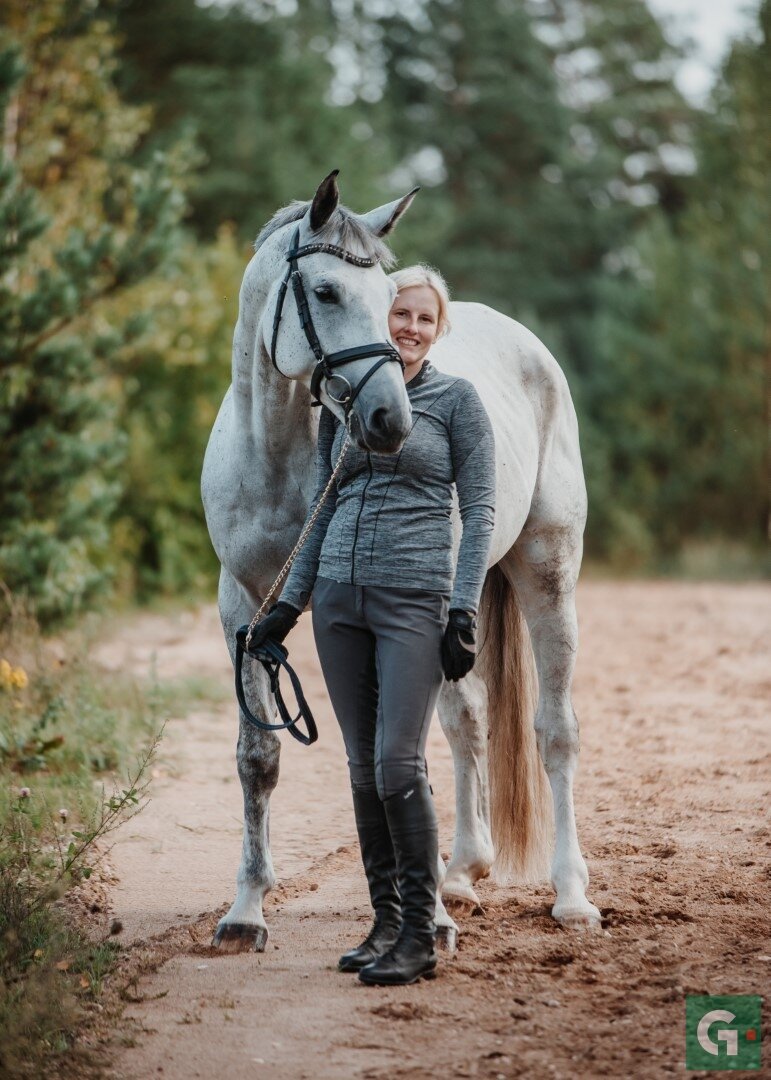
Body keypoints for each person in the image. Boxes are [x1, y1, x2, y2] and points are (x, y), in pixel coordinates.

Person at [251, 265, 496, 985]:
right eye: (399, 315)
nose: (410, 328)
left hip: (412, 598)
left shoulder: (457, 401)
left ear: (437, 327)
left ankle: (419, 932)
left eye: (423, 318)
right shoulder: (343, 408)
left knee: (398, 765)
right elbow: (322, 509)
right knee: (362, 770)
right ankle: (385, 921)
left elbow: (477, 512)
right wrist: (284, 609)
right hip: (337, 600)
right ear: (378, 321)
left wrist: (462, 607)